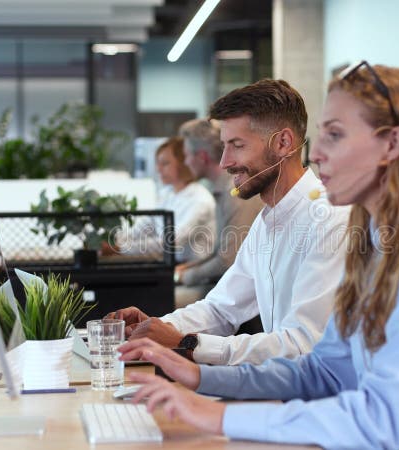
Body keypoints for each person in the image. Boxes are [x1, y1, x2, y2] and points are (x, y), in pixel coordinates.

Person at [116, 64, 399, 449]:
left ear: (392, 144)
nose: (315, 155)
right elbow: (323, 370)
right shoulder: (371, 238)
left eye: (335, 135)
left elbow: (381, 418)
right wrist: (200, 374)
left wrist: (218, 413)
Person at [107, 79, 351, 366]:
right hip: (280, 386)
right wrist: (157, 328)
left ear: (283, 143)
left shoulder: (329, 219)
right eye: (224, 146)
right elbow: (221, 309)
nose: (224, 161)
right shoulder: (267, 221)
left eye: (237, 145)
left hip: (313, 399)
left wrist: (188, 344)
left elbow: (304, 344)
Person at [174, 118, 263, 308]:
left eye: (187, 155)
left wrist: (187, 275)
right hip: (231, 287)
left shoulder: (235, 191)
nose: (186, 162)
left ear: (203, 157)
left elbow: (228, 259)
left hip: (247, 298)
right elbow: (220, 252)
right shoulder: (221, 189)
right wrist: (188, 269)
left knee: (166, 301)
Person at [112, 137, 215, 264]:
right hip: (171, 265)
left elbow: (171, 242)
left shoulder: (201, 201)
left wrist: (120, 248)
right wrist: (115, 241)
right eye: (158, 163)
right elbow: (145, 226)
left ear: (184, 163)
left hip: (193, 273)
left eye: (165, 163)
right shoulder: (167, 194)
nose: (158, 169)